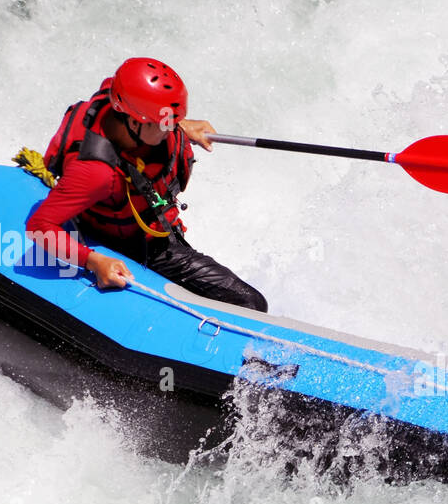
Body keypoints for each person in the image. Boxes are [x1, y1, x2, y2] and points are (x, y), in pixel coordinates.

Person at [26, 57, 268, 312]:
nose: (171, 130)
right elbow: (39, 226)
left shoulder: (117, 96)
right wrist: (93, 261)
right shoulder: (96, 173)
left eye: (173, 122)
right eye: (165, 125)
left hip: (143, 221)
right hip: (143, 246)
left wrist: (184, 125)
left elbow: (141, 102)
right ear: (133, 121)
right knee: (250, 302)